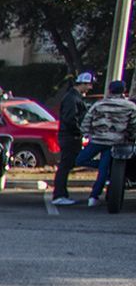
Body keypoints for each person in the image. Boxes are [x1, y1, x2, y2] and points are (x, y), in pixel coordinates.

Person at [75, 79, 135, 206]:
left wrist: (87, 133)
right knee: (104, 169)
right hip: (117, 142)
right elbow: (133, 124)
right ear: (123, 91)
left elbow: (87, 120)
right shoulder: (130, 106)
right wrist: (129, 136)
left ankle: (94, 195)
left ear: (110, 90)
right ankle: (94, 196)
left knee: (80, 160)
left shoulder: (99, 104)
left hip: (98, 140)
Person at [50, 71, 93, 205]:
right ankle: (59, 195)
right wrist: (80, 132)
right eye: (89, 84)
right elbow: (70, 119)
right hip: (70, 136)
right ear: (83, 84)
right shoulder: (72, 99)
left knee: (67, 165)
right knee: (65, 165)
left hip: (70, 136)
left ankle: (62, 194)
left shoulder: (74, 97)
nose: (90, 88)